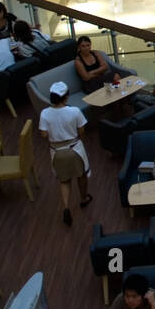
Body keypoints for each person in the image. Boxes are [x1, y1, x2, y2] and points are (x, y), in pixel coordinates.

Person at [39, 81, 91, 226]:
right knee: (81, 175)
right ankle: (83, 199)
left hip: (57, 151)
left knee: (64, 180)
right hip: (75, 148)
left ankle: (66, 207)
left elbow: (43, 134)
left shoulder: (45, 113)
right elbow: (82, 131)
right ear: (66, 97)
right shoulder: (74, 111)